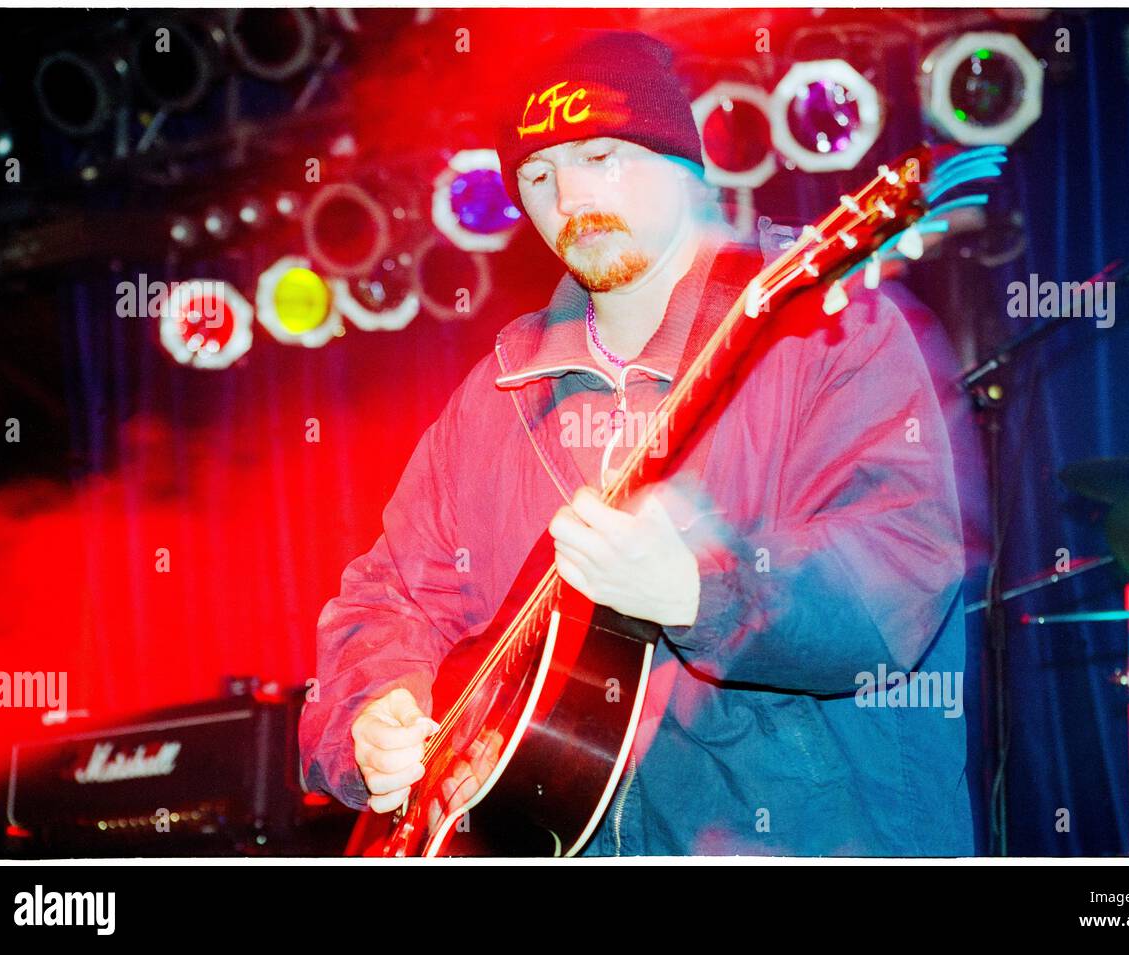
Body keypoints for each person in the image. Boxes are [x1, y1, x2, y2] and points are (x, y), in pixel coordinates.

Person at [298, 29, 974, 856]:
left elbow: (898, 569)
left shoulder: (829, 330)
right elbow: (388, 599)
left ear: (688, 167)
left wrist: (702, 590)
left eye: (602, 157)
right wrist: (371, 714)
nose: (569, 197)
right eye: (538, 176)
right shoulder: (499, 394)